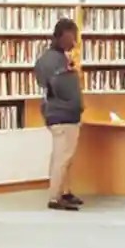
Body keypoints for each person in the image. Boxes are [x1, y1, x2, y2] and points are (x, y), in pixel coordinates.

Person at [34, 18, 85, 212]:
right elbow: (63, 87)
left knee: (62, 156)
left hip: (55, 113)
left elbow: (44, 82)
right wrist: (72, 75)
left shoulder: (49, 58)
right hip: (63, 115)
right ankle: (55, 197)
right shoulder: (57, 62)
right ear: (64, 35)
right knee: (62, 158)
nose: (75, 42)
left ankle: (64, 191)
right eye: (73, 37)